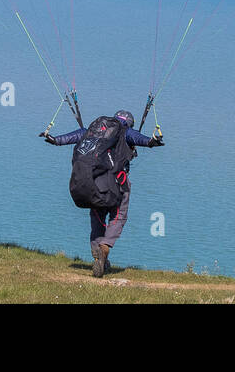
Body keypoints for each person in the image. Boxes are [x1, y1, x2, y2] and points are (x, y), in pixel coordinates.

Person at [44, 110, 163, 276]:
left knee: (97, 218)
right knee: (119, 216)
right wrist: (152, 142)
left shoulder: (94, 132)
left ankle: (98, 256)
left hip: (95, 182)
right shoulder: (125, 131)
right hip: (117, 184)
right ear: (128, 123)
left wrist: (55, 140)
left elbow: (77, 135)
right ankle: (105, 247)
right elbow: (139, 139)